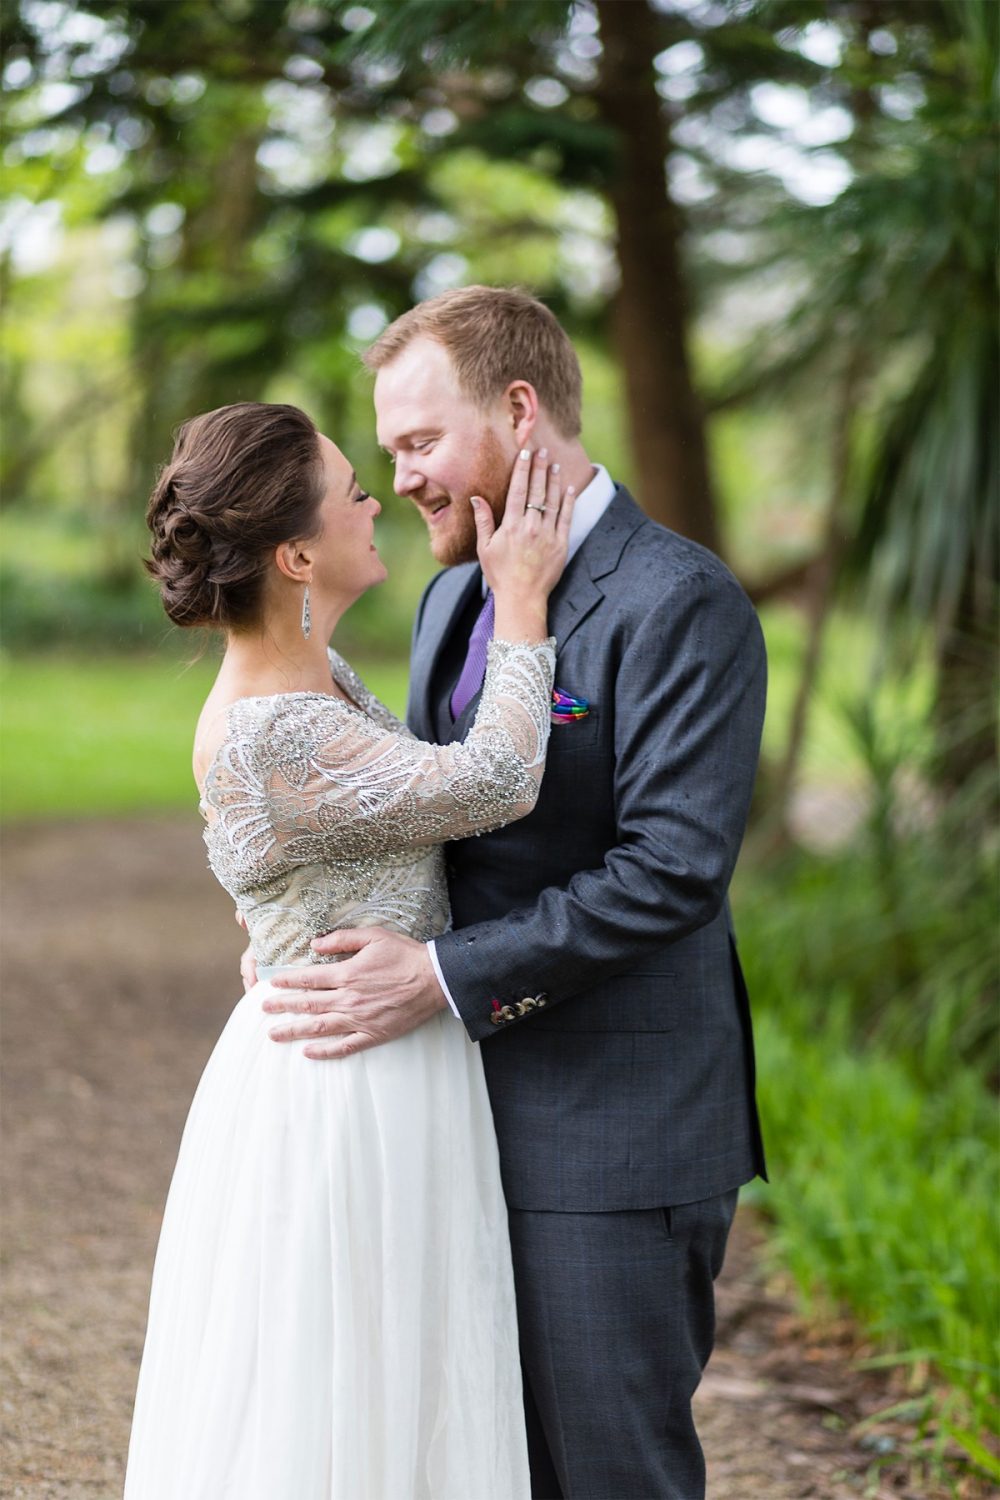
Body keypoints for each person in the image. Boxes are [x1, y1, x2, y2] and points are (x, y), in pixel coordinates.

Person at [260, 286, 768, 1500]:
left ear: (520, 409)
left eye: (419, 443)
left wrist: (440, 977)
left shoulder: (678, 600)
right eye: (389, 452)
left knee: (608, 1474)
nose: (402, 479)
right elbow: (437, 826)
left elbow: (672, 870)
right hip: (453, 1121)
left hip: (612, 1136)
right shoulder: (452, 598)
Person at [123, 399, 575, 1499]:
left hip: (380, 1047)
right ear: (295, 555)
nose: (378, 501)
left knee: (397, 1377)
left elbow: (331, 848)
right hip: (345, 1086)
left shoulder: (309, 678)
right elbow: (495, 781)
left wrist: (283, 921)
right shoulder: (276, 724)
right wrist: (521, 600)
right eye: (353, 492)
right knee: (341, 1386)